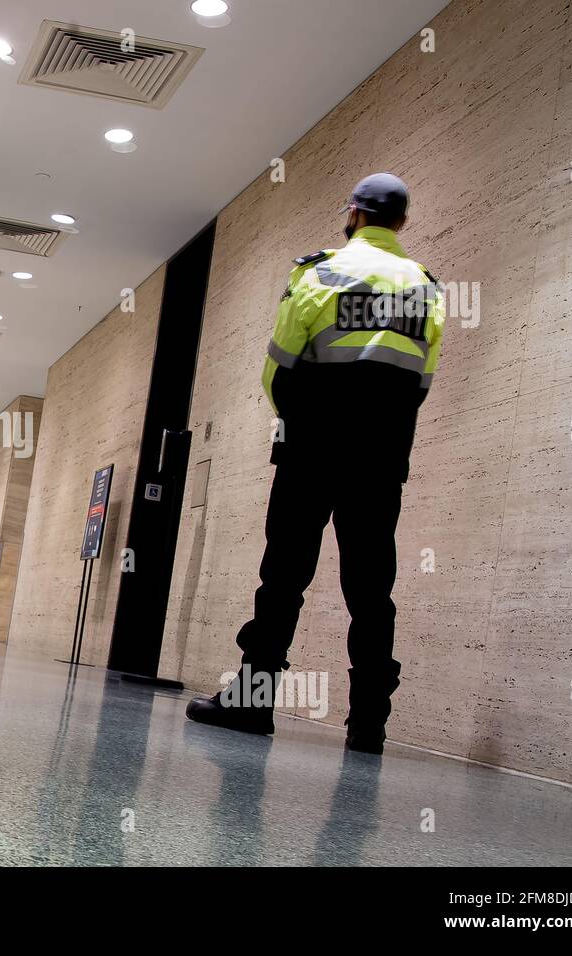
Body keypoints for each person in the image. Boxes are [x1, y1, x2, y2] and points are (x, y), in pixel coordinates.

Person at [186, 173, 445, 755]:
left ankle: (253, 706)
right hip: (381, 458)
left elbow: (278, 368)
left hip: (312, 447)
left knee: (283, 577)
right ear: (401, 222)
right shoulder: (426, 289)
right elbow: (420, 382)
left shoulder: (319, 271)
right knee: (371, 586)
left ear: (352, 213)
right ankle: (368, 725)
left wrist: (303, 420)